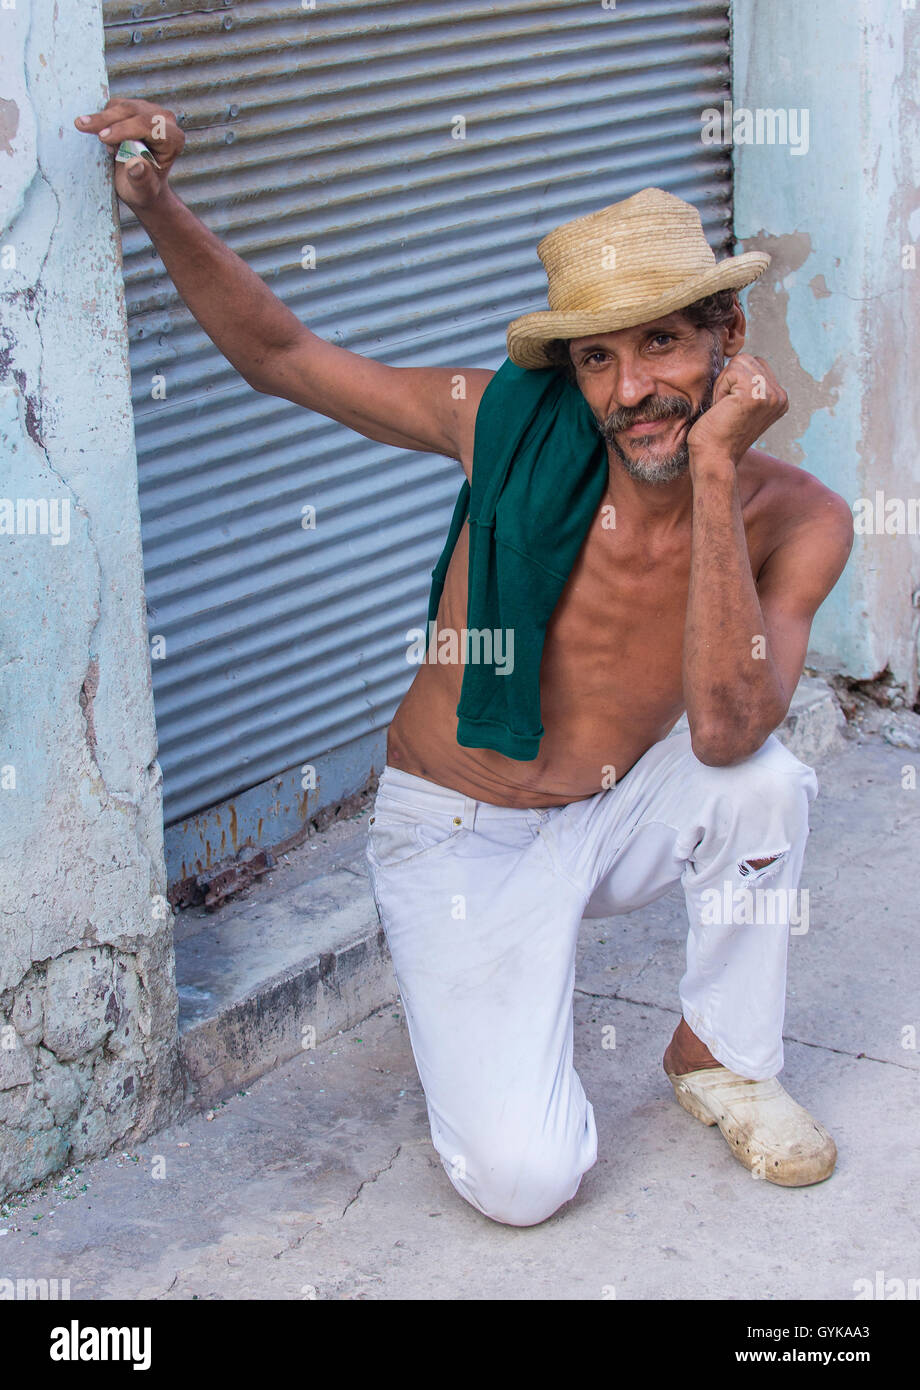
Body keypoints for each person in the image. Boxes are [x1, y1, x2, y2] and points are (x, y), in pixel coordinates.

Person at [76, 100, 854, 1227]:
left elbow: (728, 734)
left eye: (662, 342)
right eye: (597, 358)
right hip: (460, 826)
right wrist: (159, 204)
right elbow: (282, 356)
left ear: (728, 334)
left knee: (764, 780)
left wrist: (717, 479)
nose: (630, 388)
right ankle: (463, 984)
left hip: (616, 809)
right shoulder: (499, 417)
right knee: (525, 1183)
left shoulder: (802, 516)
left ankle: (718, 1053)